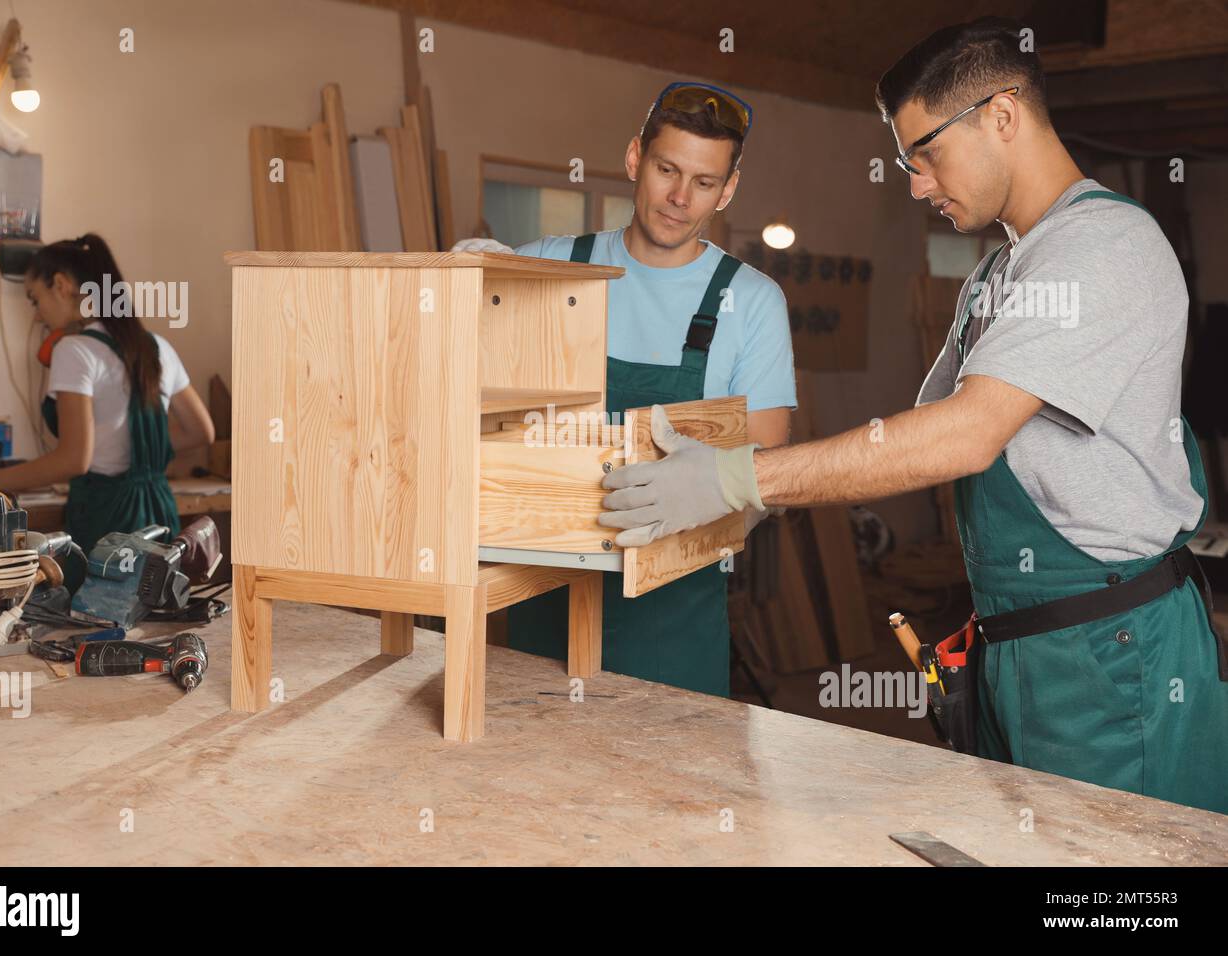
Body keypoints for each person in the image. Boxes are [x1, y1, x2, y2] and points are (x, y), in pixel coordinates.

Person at [596, 20, 1228, 814]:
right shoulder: (1002, 271)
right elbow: (909, 440)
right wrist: (738, 478)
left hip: (1110, 651)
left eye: (924, 153)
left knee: (1117, 886)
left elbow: (964, 436)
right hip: (1022, 641)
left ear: (1002, 115)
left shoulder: (1101, 247)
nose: (916, 184)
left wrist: (736, 478)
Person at [455, 82, 796, 697]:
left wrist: (694, 514)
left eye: (704, 182)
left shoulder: (751, 301)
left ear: (730, 188)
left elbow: (767, 466)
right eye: (667, 170)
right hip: (541, 609)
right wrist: (465, 285)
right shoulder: (551, 268)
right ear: (635, 158)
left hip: (675, 624)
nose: (679, 198)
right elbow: (455, 394)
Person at [0, 234, 214, 551]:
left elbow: (73, 460)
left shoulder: (74, 350)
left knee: (99, 597)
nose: (36, 315)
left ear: (61, 285)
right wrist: (137, 450)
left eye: (35, 300)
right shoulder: (157, 346)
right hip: (160, 513)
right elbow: (201, 431)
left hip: (107, 519)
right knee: (155, 593)